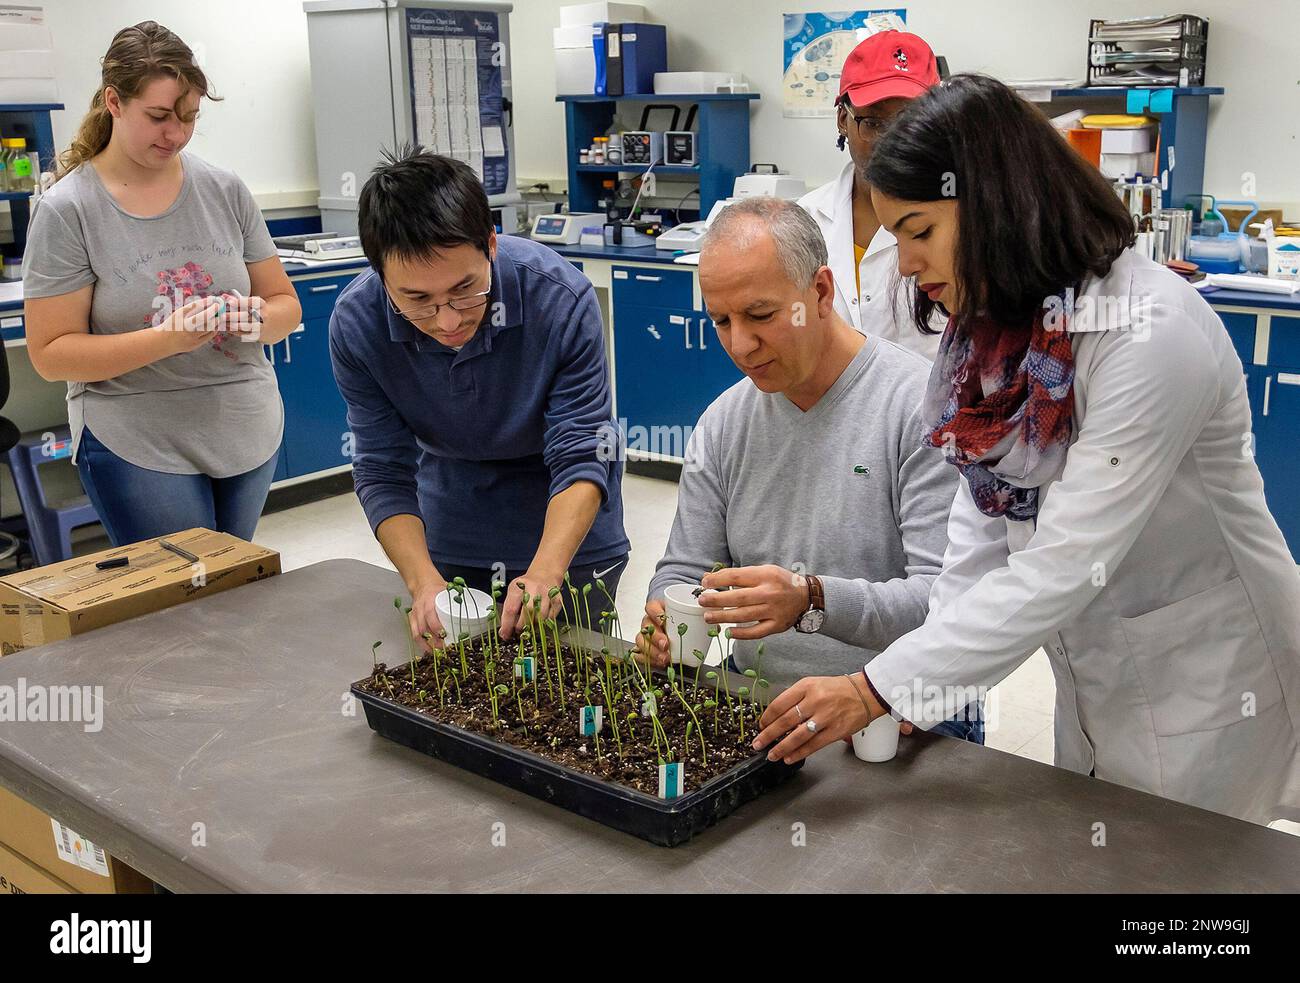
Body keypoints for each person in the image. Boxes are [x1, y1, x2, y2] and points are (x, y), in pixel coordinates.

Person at [754, 75, 1300, 826]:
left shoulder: (1148, 333)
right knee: (1109, 845)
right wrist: (927, 680)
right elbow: (978, 543)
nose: (904, 264)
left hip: (1205, 665)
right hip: (1092, 668)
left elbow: (1065, 560)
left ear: (994, 203)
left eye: (918, 231)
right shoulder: (994, 337)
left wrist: (877, 687)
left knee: (1190, 893)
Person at [636, 196, 981, 742]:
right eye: (721, 321)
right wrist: (665, 613)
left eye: (761, 315)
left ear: (820, 292)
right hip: (766, 712)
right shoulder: (723, 425)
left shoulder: (919, 408)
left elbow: (947, 602)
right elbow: (683, 568)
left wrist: (813, 598)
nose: (741, 345)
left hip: (898, 719)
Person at [330, 148, 630, 646]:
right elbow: (382, 465)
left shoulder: (559, 298)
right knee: (461, 687)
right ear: (380, 274)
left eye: (465, 289)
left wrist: (546, 572)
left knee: (573, 690)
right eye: (417, 300)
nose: (447, 320)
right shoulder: (357, 322)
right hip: (451, 527)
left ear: (490, 243)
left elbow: (581, 451)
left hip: (570, 539)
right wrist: (423, 581)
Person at [24, 21, 299, 543]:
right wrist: (166, 340)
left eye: (189, 118)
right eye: (157, 117)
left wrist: (255, 318)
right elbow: (51, 353)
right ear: (114, 102)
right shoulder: (68, 210)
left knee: (235, 588)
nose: (175, 134)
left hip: (244, 424)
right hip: (137, 437)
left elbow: (285, 304)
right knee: (182, 607)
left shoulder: (223, 189)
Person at [798, 29, 944, 360]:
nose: (892, 141)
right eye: (874, 123)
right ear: (842, 120)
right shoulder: (803, 221)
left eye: (909, 122)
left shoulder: (964, 216)